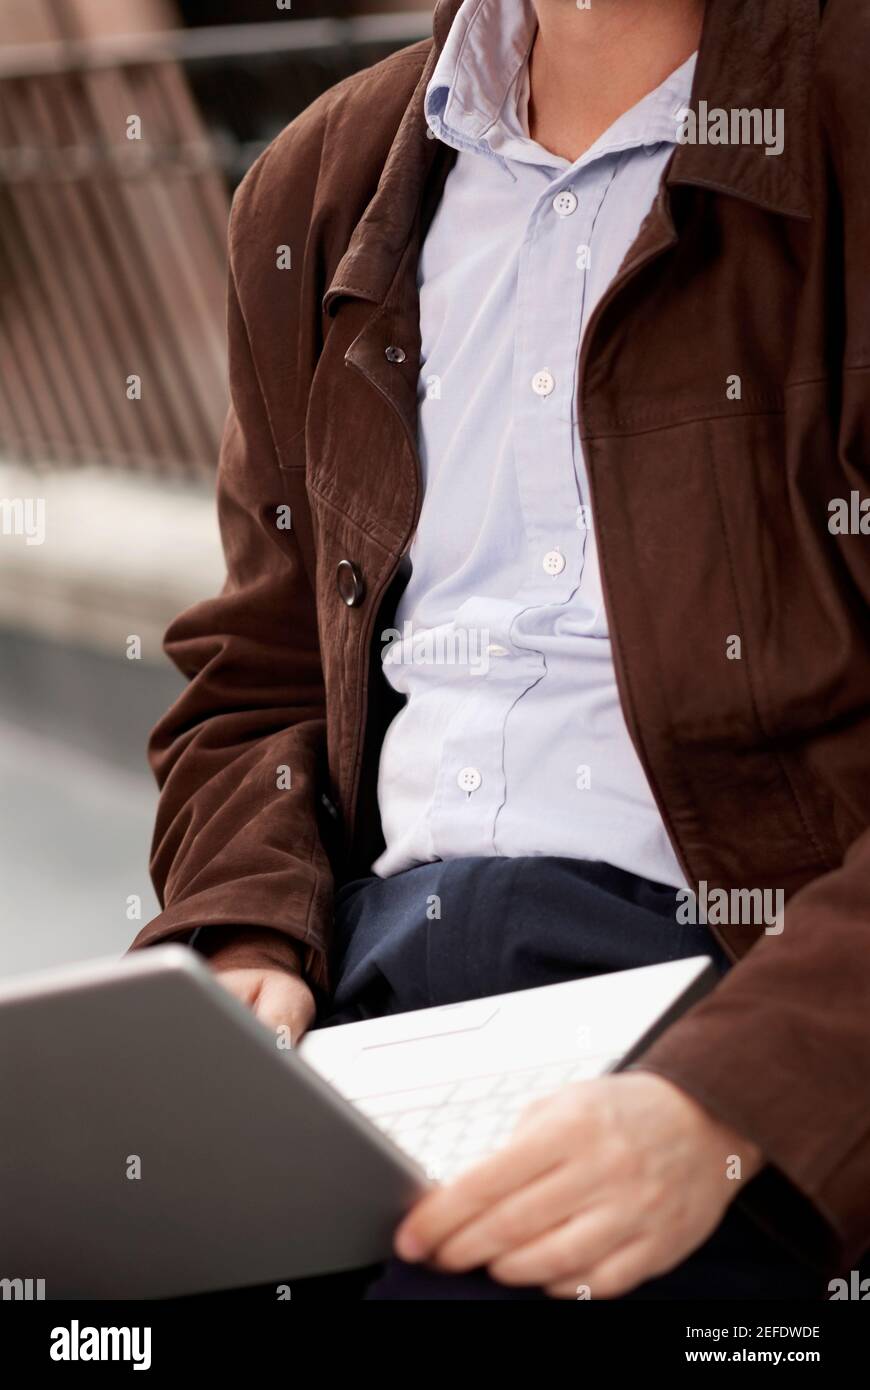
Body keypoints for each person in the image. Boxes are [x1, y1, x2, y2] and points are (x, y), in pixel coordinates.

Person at [133, 0, 870, 1299]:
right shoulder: (317, 184)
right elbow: (257, 675)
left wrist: (731, 1100)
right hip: (372, 1000)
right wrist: (246, 931)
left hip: (731, 979)